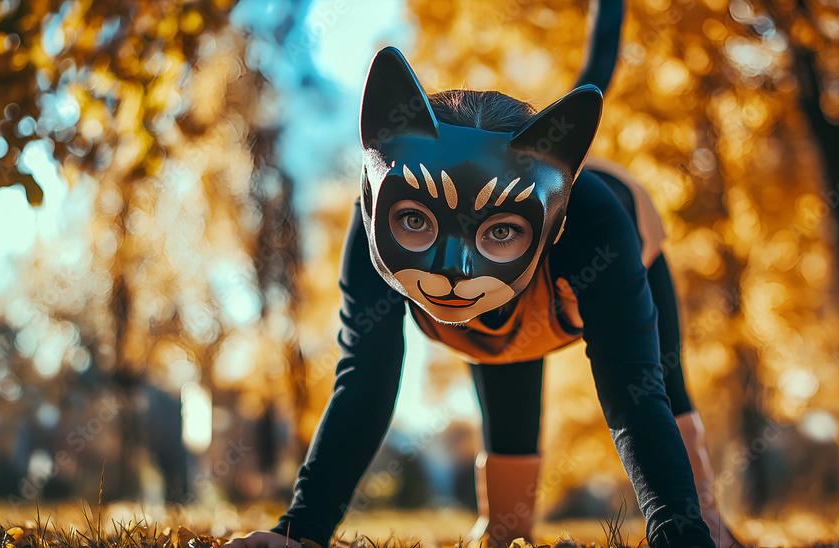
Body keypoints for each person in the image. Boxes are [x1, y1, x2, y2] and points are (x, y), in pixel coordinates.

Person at [223, 47, 741, 548]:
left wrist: (682, 534)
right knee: (498, 347)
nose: (452, 271)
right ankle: (506, 529)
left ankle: (705, 519)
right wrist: (300, 532)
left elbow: (634, 393)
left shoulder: (596, 225)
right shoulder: (375, 217)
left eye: (501, 231)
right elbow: (365, 379)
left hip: (607, 259)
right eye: (414, 220)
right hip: (503, 313)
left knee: (658, 380)